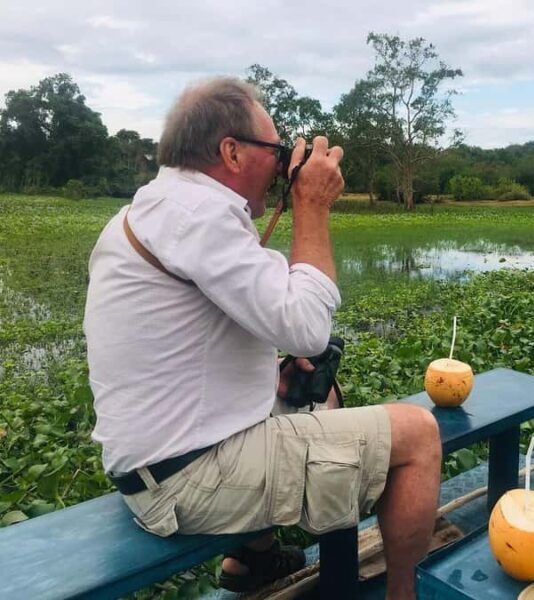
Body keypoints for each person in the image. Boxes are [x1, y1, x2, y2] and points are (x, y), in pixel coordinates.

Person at [83, 77, 441, 598]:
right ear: (231, 151)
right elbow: (309, 327)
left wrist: (272, 379)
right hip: (187, 480)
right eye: (274, 151)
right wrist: (312, 205)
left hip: (153, 464)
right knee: (417, 435)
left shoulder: (160, 206)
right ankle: (404, 593)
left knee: (321, 396)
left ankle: (250, 561)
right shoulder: (198, 216)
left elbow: (212, 335)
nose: (280, 165)